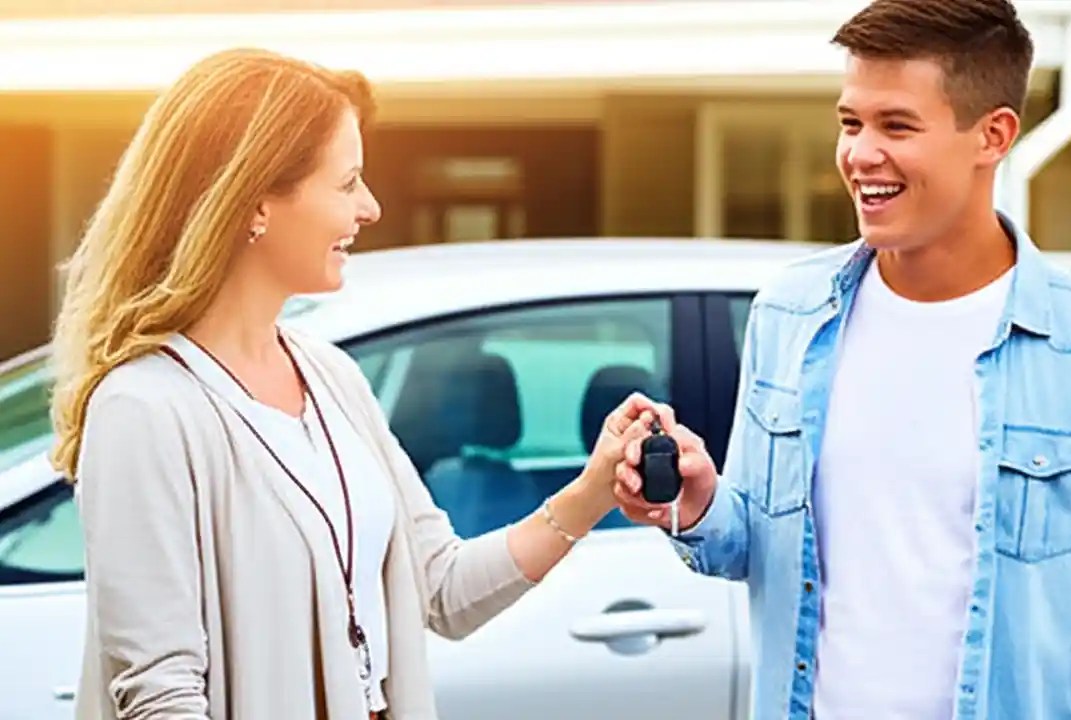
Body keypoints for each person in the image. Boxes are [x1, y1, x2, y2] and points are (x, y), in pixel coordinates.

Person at [611, 1, 1071, 718]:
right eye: (850, 123)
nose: (861, 154)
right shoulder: (789, 316)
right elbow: (754, 550)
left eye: (896, 125)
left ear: (993, 135)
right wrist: (698, 500)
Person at [49, 48, 650, 720]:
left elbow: (443, 589)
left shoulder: (329, 375)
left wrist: (596, 489)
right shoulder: (145, 409)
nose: (370, 207)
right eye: (347, 183)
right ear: (255, 204)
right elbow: (161, 696)